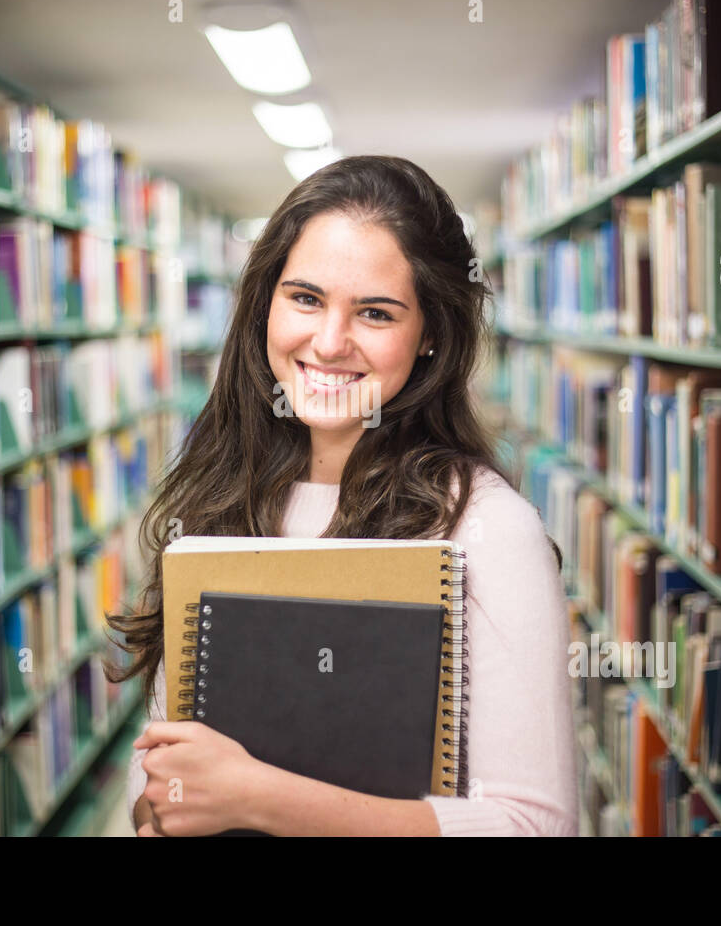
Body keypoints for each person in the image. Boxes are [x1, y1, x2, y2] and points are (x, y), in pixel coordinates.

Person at [106, 155, 577, 836]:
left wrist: (256, 798)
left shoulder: (485, 527)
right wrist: (156, 804)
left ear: (430, 337)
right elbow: (161, 742)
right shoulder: (217, 491)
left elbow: (534, 826)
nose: (328, 343)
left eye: (376, 313)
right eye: (305, 298)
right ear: (264, 304)